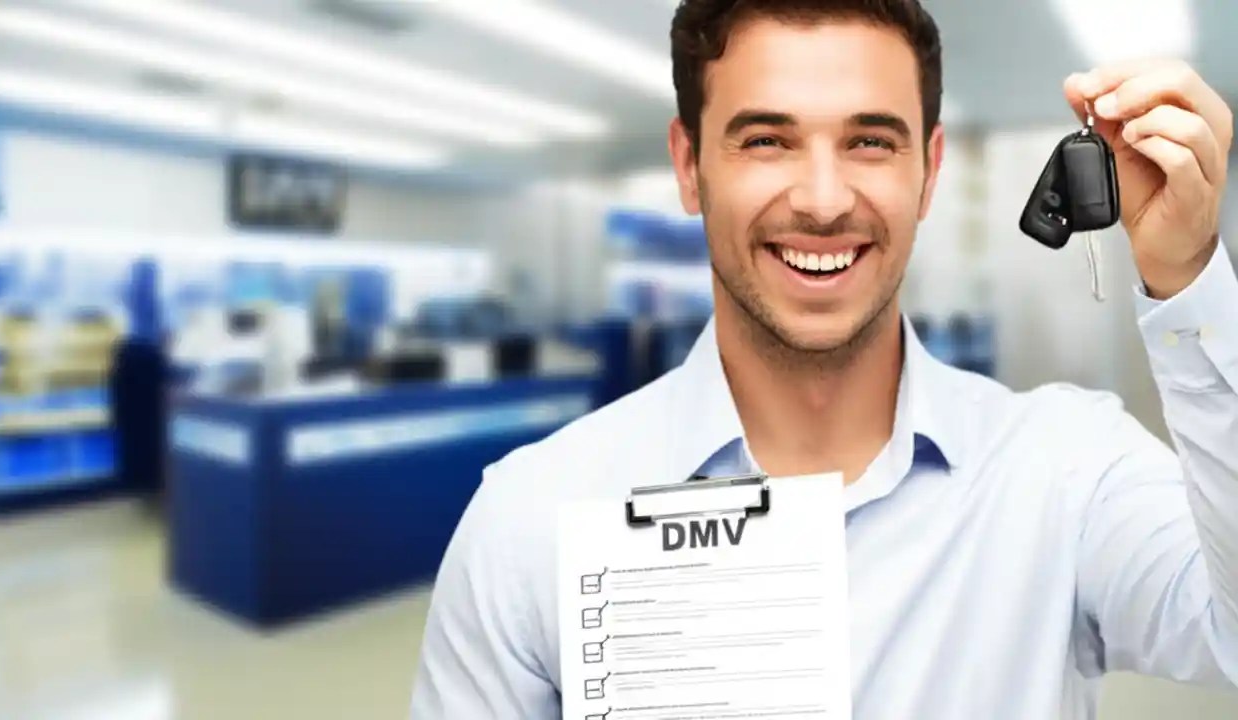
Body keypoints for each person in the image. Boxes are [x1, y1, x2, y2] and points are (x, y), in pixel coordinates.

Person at [410, 0, 1238, 717]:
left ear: (928, 170)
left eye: (870, 142)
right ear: (689, 165)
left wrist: (1188, 277)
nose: (822, 199)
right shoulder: (527, 519)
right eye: (767, 140)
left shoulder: (1067, 470)